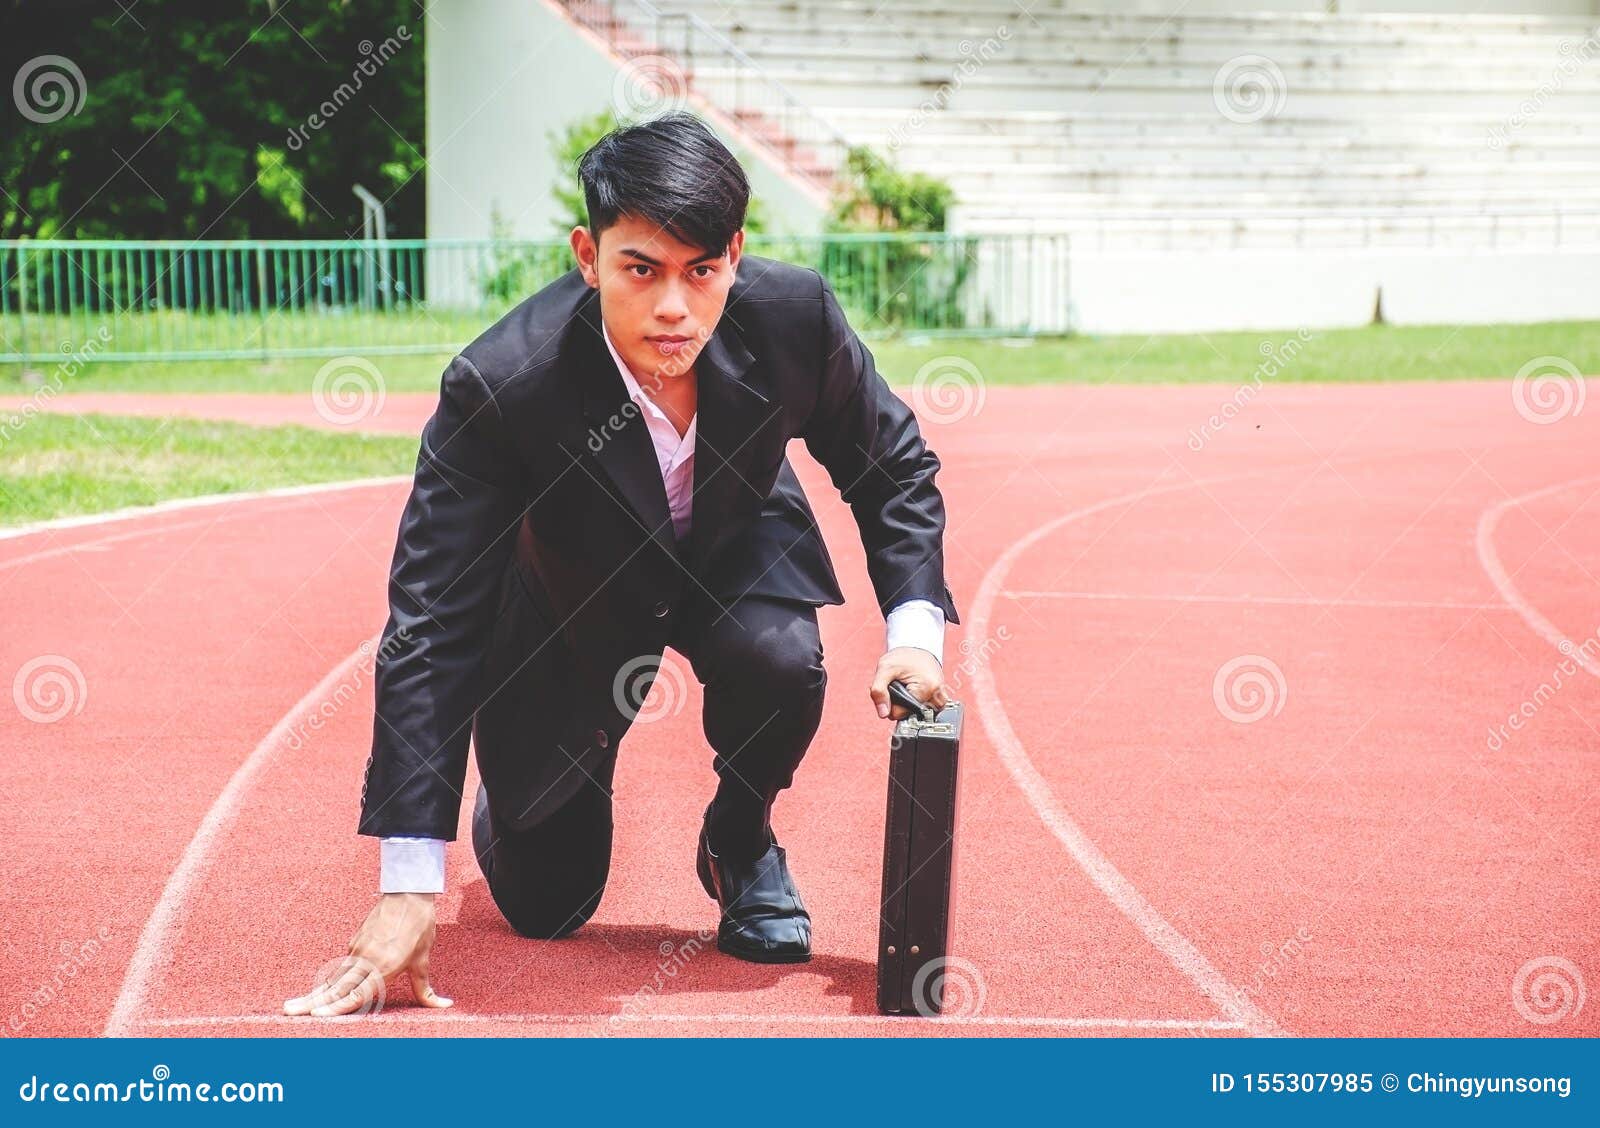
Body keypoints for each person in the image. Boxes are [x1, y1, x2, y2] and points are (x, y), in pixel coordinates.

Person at [284, 111, 959, 1017]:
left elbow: (893, 468)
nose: (673, 309)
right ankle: (522, 800)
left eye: (701, 271)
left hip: (736, 547)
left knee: (782, 659)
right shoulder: (500, 386)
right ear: (587, 255)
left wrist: (915, 637)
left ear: (735, 255)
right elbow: (433, 619)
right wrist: (412, 879)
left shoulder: (793, 318)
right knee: (547, 905)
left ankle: (740, 840)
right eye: (640, 269)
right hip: (570, 600)